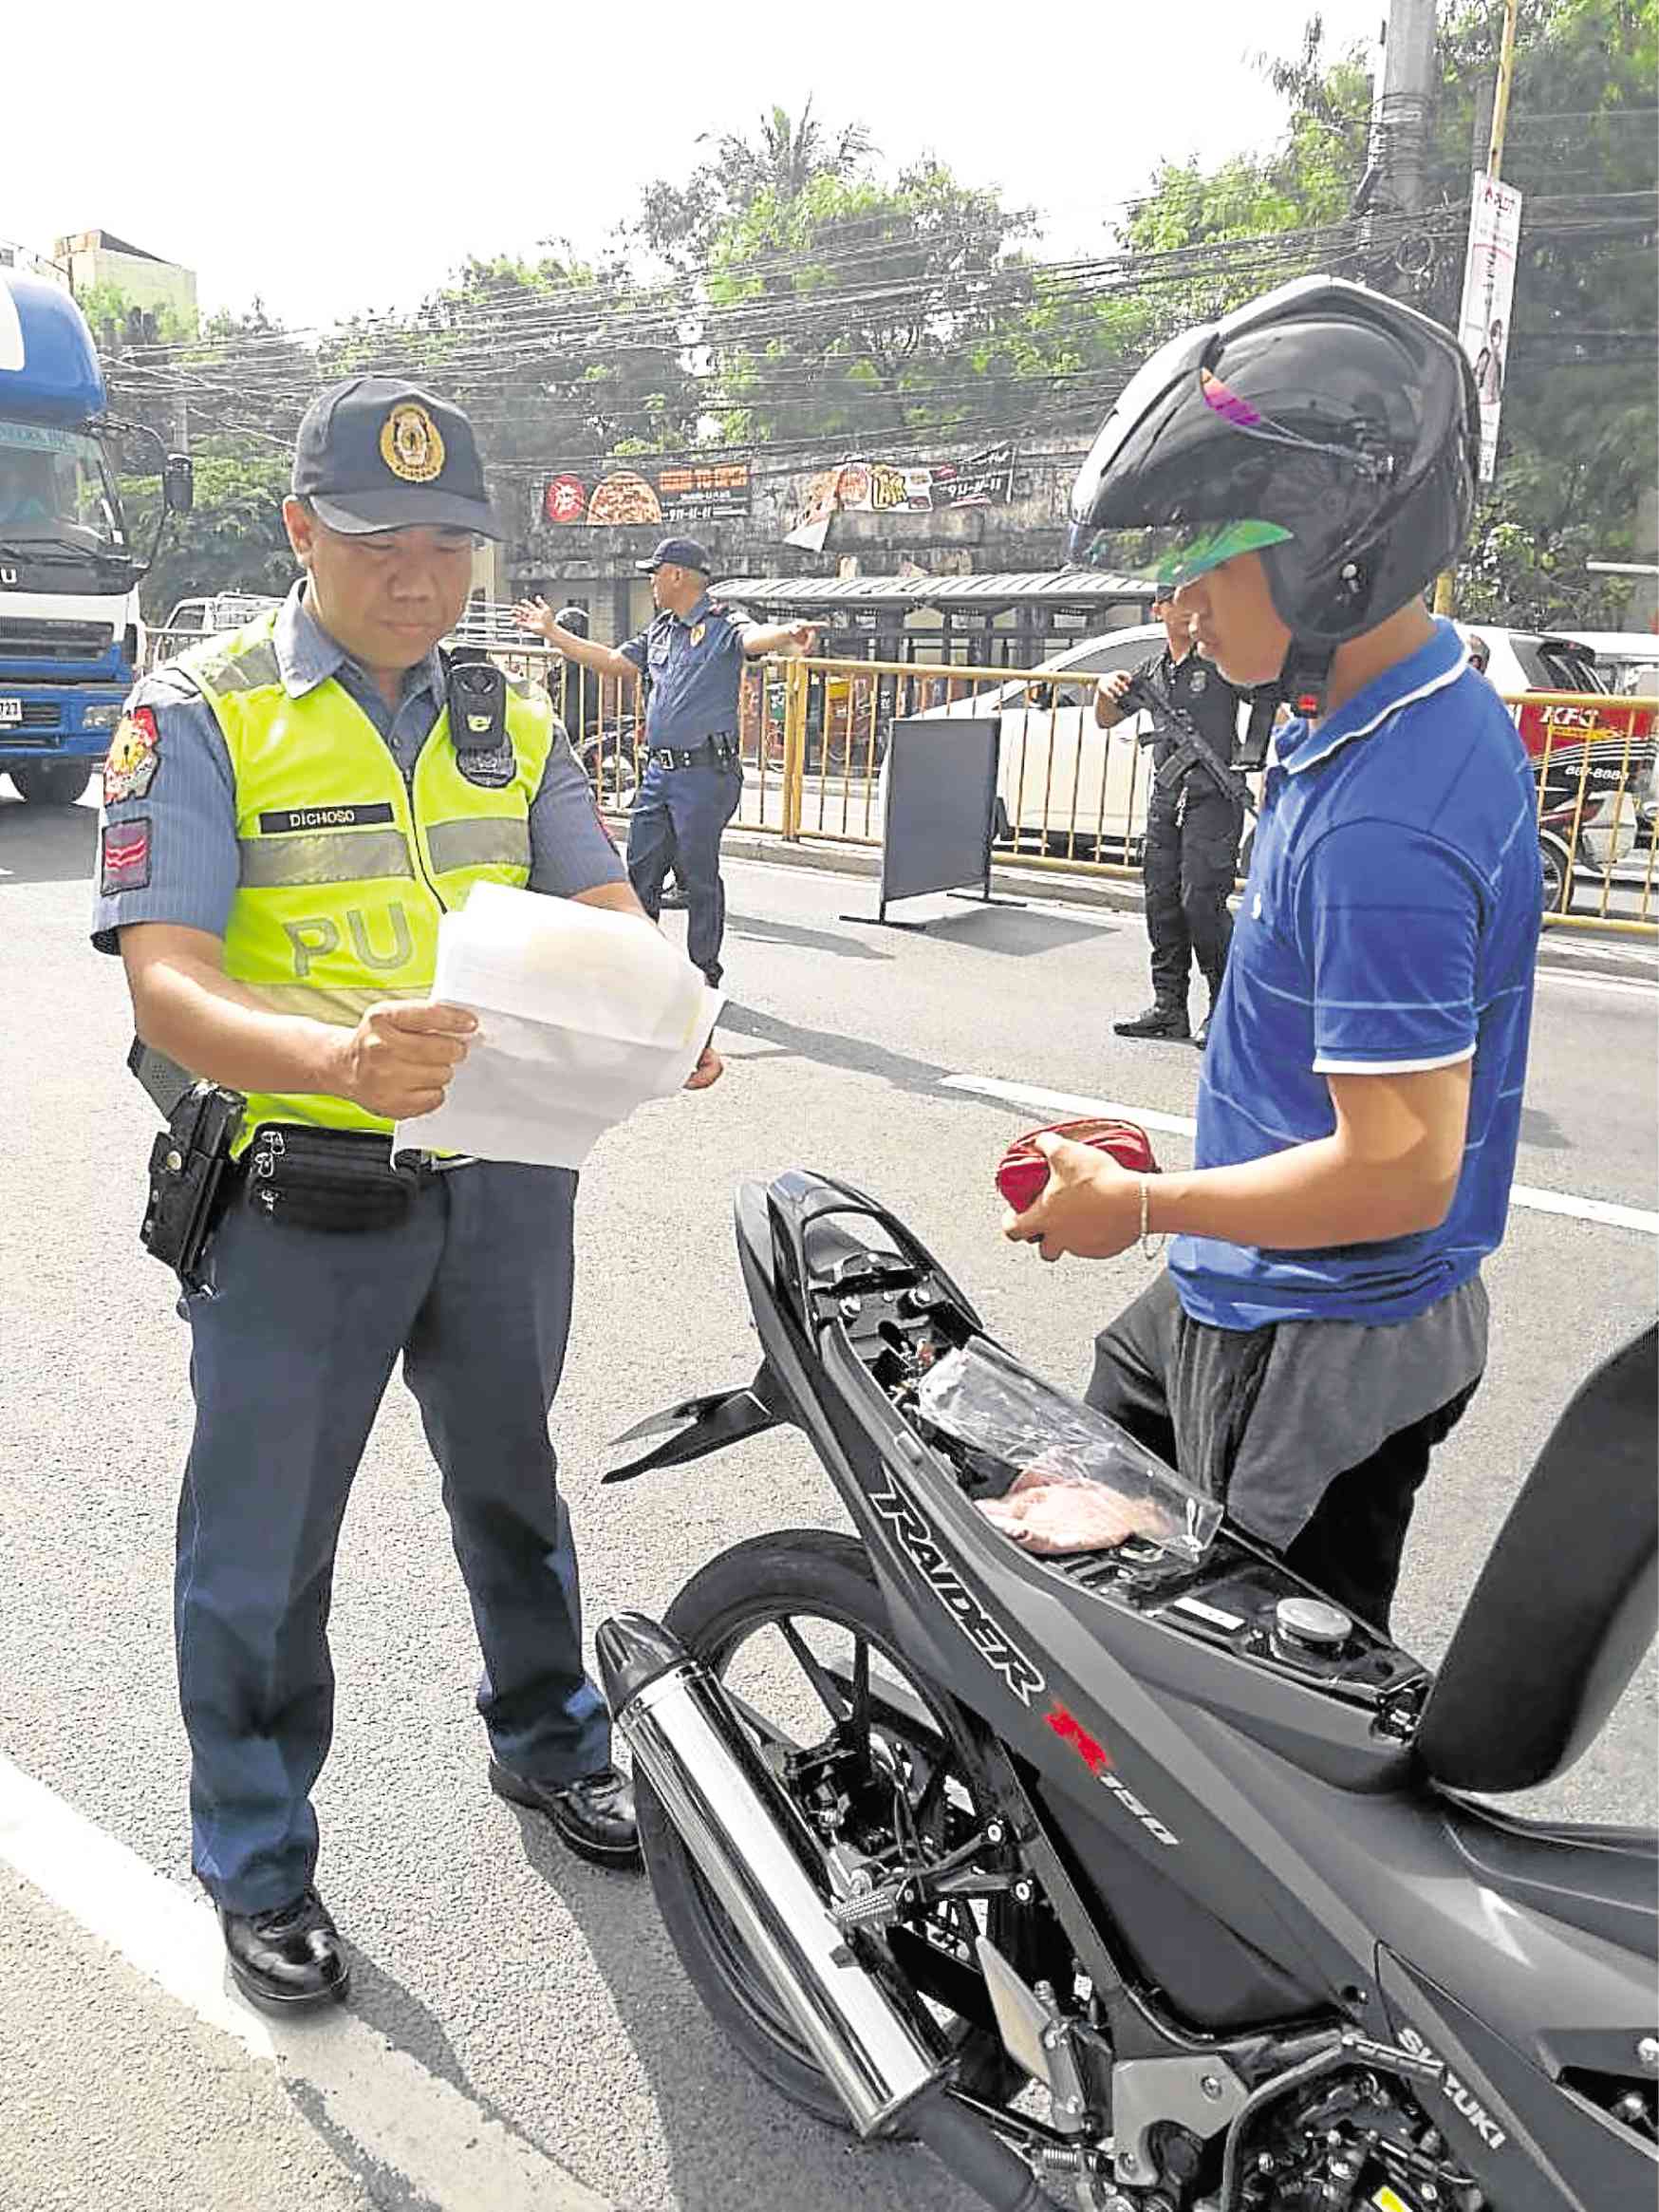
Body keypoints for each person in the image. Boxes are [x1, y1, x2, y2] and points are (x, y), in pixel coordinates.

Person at [92, 374, 721, 2013]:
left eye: (451, 544)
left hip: (504, 1186)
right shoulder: (200, 707)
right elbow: (167, 984)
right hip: (304, 1196)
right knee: (263, 1549)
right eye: (380, 544)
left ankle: (547, 1739)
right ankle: (256, 1853)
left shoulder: (510, 715)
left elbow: (599, 901)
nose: (419, 578)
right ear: (301, 531)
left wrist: (664, 1011)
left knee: (513, 1486)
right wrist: (333, 1059)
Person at [1007, 277, 1540, 1635]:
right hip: (1255, 1285)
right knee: (1073, 1486)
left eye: (1213, 555)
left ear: (1331, 552)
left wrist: (1142, 1207)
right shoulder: (1373, 702)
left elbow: (1399, 1167)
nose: (1181, 603)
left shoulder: (1387, 818)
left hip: (1321, 1335)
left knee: (1252, 1689)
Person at [515, 538, 815, 988]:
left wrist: (788, 634)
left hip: (704, 775)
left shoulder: (721, 622)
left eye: (654, 573)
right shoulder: (659, 630)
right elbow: (614, 661)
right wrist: (554, 634)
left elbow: (752, 639)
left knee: (698, 876)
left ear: (676, 575)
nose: (651, 582)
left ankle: (703, 978)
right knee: (640, 871)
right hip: (658, 773)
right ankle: (642, 972)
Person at [1095, 592, 1248, 1047]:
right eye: (1176, 600)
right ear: (1158, 609)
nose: (1188, 608)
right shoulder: (1151, 671)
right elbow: (1105, 719)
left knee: (1201, 902)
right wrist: (1105, 688)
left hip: (1214, 798)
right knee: (1161, 901)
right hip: (1167, 799)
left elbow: (1269, 702)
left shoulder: (1222, 661)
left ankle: (1226, 1008)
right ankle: (1168, 1007)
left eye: (1196, 599)